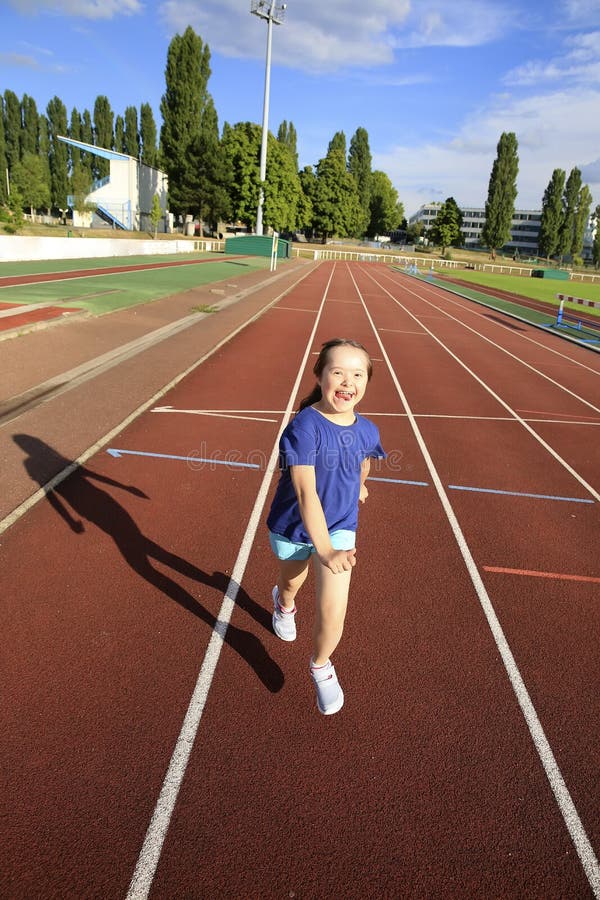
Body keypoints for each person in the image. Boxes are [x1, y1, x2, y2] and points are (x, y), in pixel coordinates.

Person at [266, 338, 386, 715]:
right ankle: (284, 605)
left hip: (339, 529)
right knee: (291, 583)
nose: (347, 381)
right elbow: (305, 493)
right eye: (337, 372)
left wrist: (361, 484)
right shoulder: (304, 427)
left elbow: (364, 460)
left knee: (335, 607)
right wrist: (324, 549)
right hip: (293, 527)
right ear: (319, 376)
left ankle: (321, 665)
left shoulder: (367, 429)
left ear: (366, 382)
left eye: (357, 374)